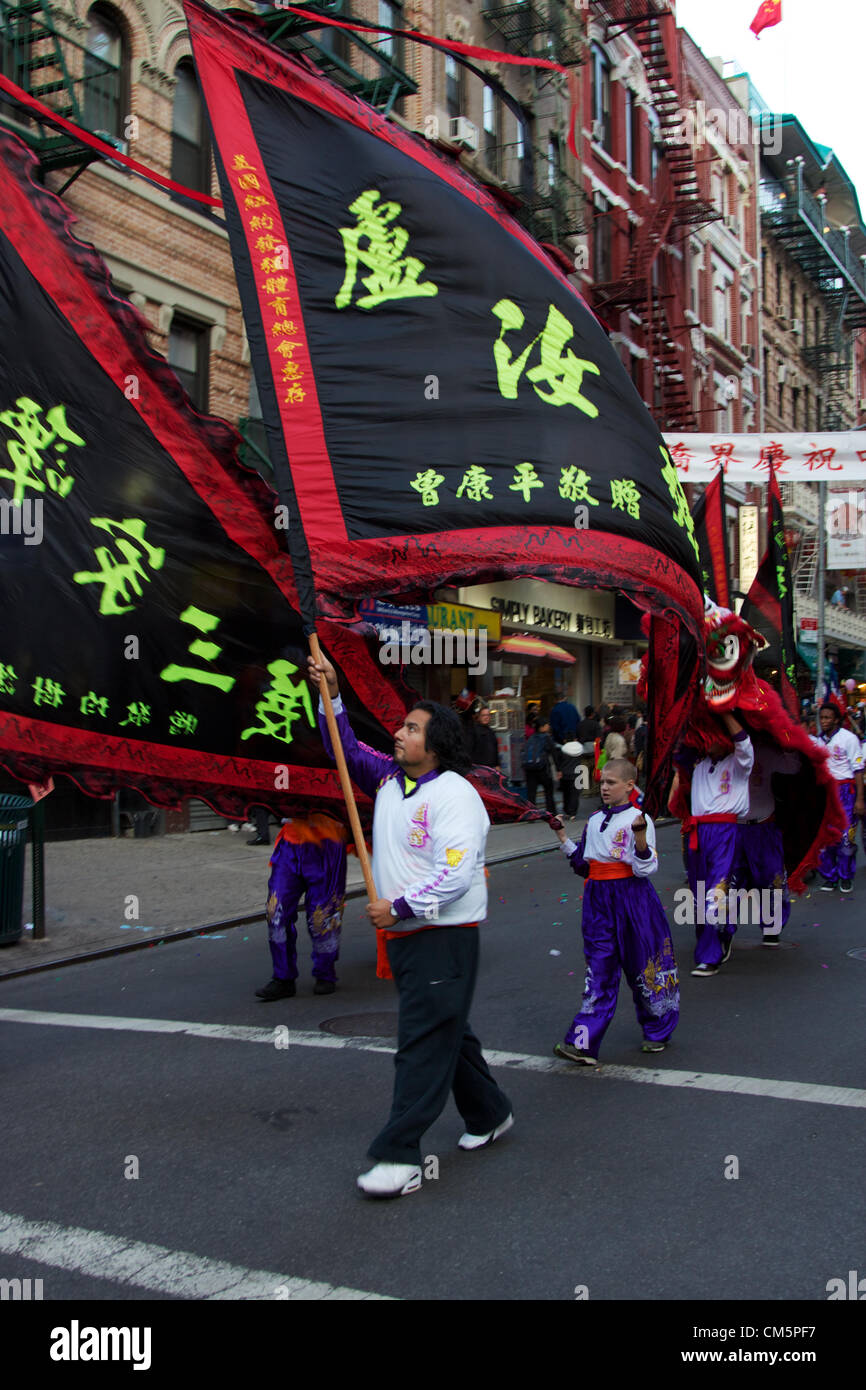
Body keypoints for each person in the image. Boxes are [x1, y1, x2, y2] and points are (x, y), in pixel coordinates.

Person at [307, 653, 513, 1200]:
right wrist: (331, 692)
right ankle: (490, 1112)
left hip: (442, 936)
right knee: (448, 1031)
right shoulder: (391, 781)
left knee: (422, 1039)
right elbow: (344, 750)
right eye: (402, 726)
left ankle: (398, 1154)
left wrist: (398, 906)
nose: (399, 734)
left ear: (436, 745)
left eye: (411, 729)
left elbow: (457, 873)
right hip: (404, 936)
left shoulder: (456, 796)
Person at [552, 759, 679, 1064]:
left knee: (643, 965)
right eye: (602, 782)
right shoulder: (595, 820)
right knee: (599, 970)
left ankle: (658, 1029)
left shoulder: (640, 819)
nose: (604, 787)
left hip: (633, 899)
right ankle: (583, 1043)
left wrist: (639, 838)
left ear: (629, 786)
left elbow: (647, 867)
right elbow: (584, 865)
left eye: (611, 782)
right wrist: (562, 837)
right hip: (598, 902)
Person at [672, 711, 754, 977]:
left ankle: (710, 956)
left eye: (711, 737)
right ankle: (722, 931)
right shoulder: (696, 762)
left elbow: (743, 741)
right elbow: (675, 745)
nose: (707, 742)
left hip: (725, 832)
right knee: (698, 894)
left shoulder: (740, 762)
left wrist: (724, 711)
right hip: (696, 832)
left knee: (715, 892)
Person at [255, 813, 350, 999]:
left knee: (322, 914)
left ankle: (325, 972)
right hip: (290, 843)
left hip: (327, 842)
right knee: (276, 910)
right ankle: (283, 977)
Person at [734, 744, 798, 947]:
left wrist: (790, 740)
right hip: (734, 829)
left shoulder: (768, 751)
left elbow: (793, 766)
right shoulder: (727, 752)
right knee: (731, 881)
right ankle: (722, 930)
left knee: (772, 878)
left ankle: (772, 927)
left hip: (764, 827)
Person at [810, 702, 865, 892]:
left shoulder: (848, 739)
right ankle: (830, 876)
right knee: (825, 838)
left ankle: (845, 876)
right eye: (822, 717)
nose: (824, 721)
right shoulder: (818, 741)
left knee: (845, 838)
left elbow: (858, 770)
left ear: (836, 720)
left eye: (827, 718)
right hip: (825, 793)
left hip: (845, 793)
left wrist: (859, 799)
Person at [522, 716, 558, 814]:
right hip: (543, 769)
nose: (548, 726)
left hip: (530, 769)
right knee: (548, 790)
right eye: (546, 725)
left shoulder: (530, 738)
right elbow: (554, 753)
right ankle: (551, 812)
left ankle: (531, 813)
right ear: (541, 727)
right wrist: (558, 769)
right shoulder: (546, 738)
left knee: (531, 793)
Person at [465, 699, 500, 769]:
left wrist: (497, 764)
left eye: (488, 715)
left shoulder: (491, 731)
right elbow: (469, 748)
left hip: (490, 767)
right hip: (478, 767)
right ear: (479, 717)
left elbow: (495, 750)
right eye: (483, 715)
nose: (486, 717)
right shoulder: (472, 730)